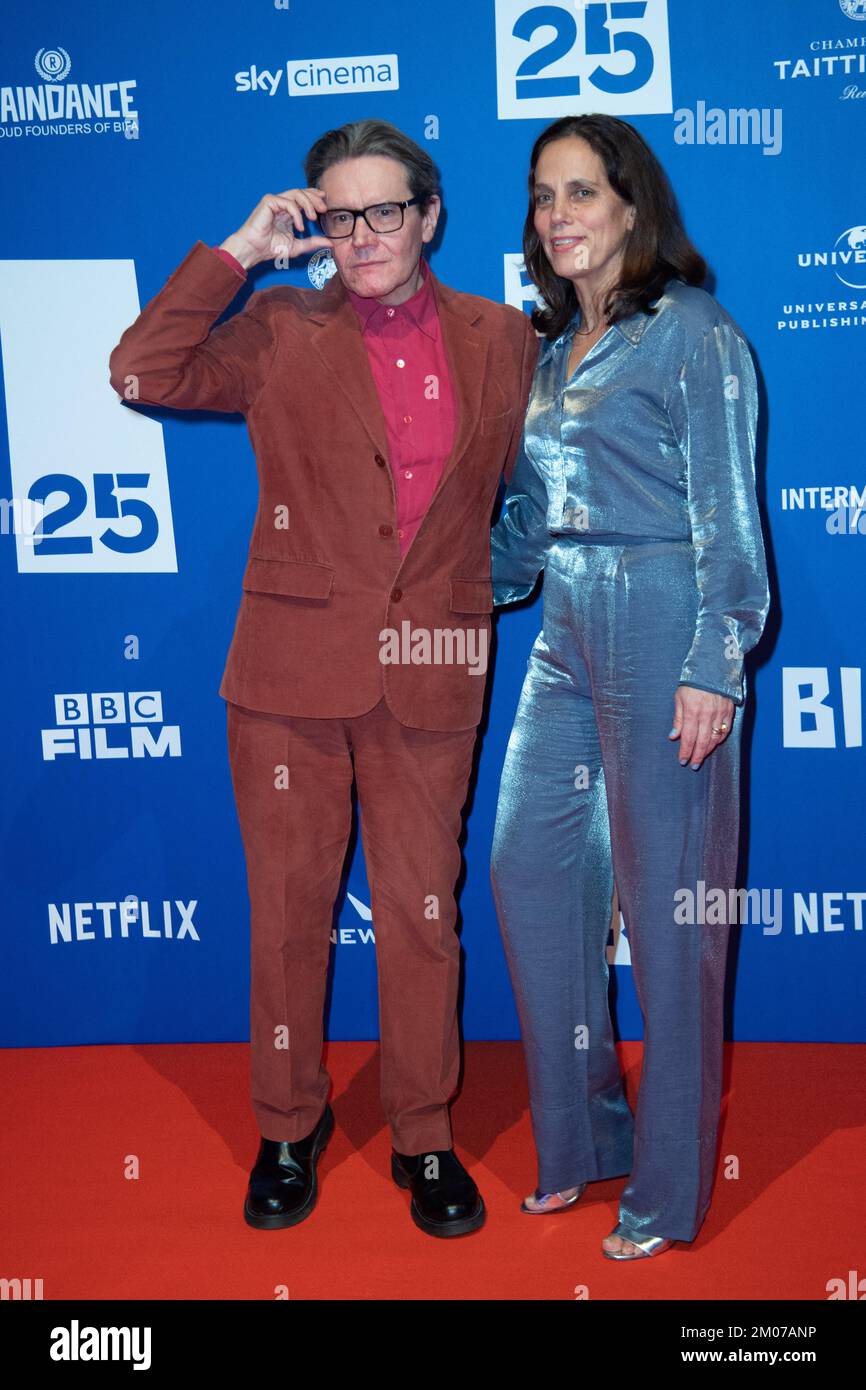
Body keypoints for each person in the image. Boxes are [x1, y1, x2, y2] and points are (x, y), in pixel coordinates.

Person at [108, 119, 538, 1237]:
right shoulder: (276, 326)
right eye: (337, 216)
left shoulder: (504, 337)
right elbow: (139, 370)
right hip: (288, 677)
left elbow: (536, 490)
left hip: (432, 670)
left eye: (383, 210)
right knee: (290, 915)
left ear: (429, 216)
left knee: (421, 916)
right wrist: (240, 251)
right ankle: (287, 1125)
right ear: (317, 225)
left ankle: (424, 1136)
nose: (361, 236)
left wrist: (494, 578)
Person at [489, 114, 771, 1259]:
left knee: (669, 927)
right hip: (564, 624)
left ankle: (663, 1193)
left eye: (581, 192)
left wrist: (716, 660)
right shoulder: (548, 354)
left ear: (629, 206)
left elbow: (732, 524)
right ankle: (584, 1142)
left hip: (665, 623)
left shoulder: (694, 334)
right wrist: (419, 583)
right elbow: (522, 529)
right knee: (527, 870)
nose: (559, 215)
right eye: (543, 195)